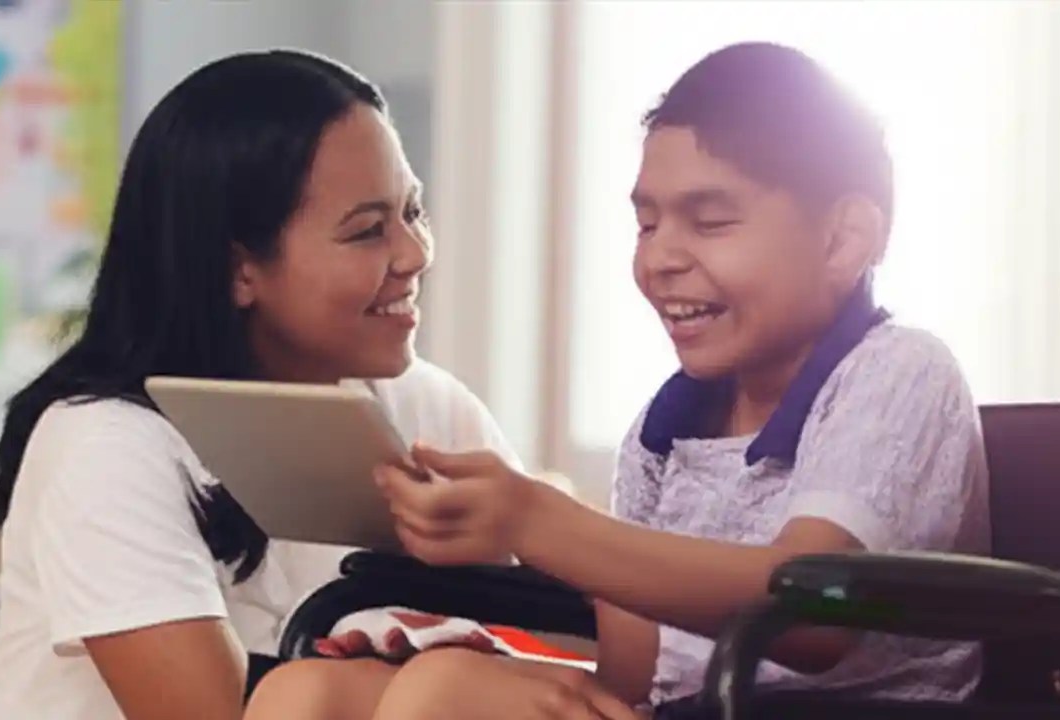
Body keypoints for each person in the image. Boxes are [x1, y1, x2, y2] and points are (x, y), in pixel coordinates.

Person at [248, 42, 991, 720]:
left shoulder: (898, 373)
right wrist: (486, 649)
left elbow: (815, 612)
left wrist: (539, 524)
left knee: (443, 695)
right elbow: (634, 678)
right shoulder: (665, 432)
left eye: (709, 221)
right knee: (308, 691)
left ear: (842, 240)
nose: (659, 259)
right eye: (646, 225)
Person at [0, 50, 520, 720]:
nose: (414, 254)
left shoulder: (428, 408)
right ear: (239, 270)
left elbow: (549, 640)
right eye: (368, 231)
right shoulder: (106, 441)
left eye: (414, 211)